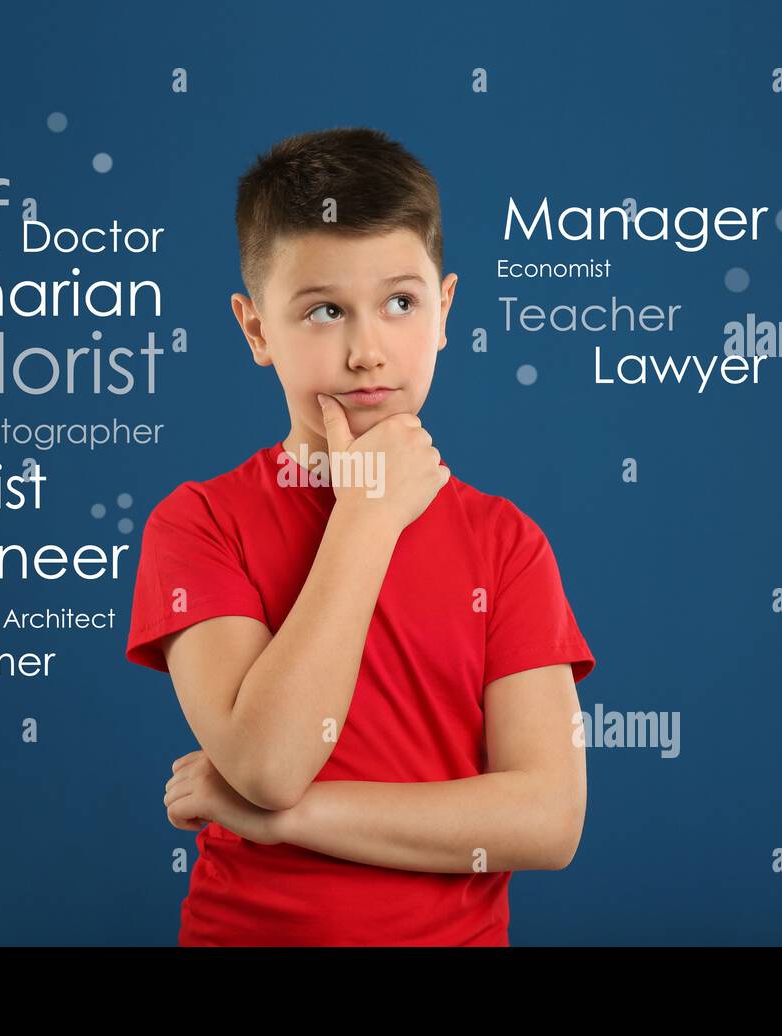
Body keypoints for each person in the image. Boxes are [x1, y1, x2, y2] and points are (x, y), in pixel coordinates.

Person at [125, 126, 596, 946]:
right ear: (256, 331)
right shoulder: (198, 523)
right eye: (324, 311)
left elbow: (547, 818)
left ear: (446, 311)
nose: (367, 350)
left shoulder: (507, 543)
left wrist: (286, 819)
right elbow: (272, 762)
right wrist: (368, 514)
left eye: (400, 303)